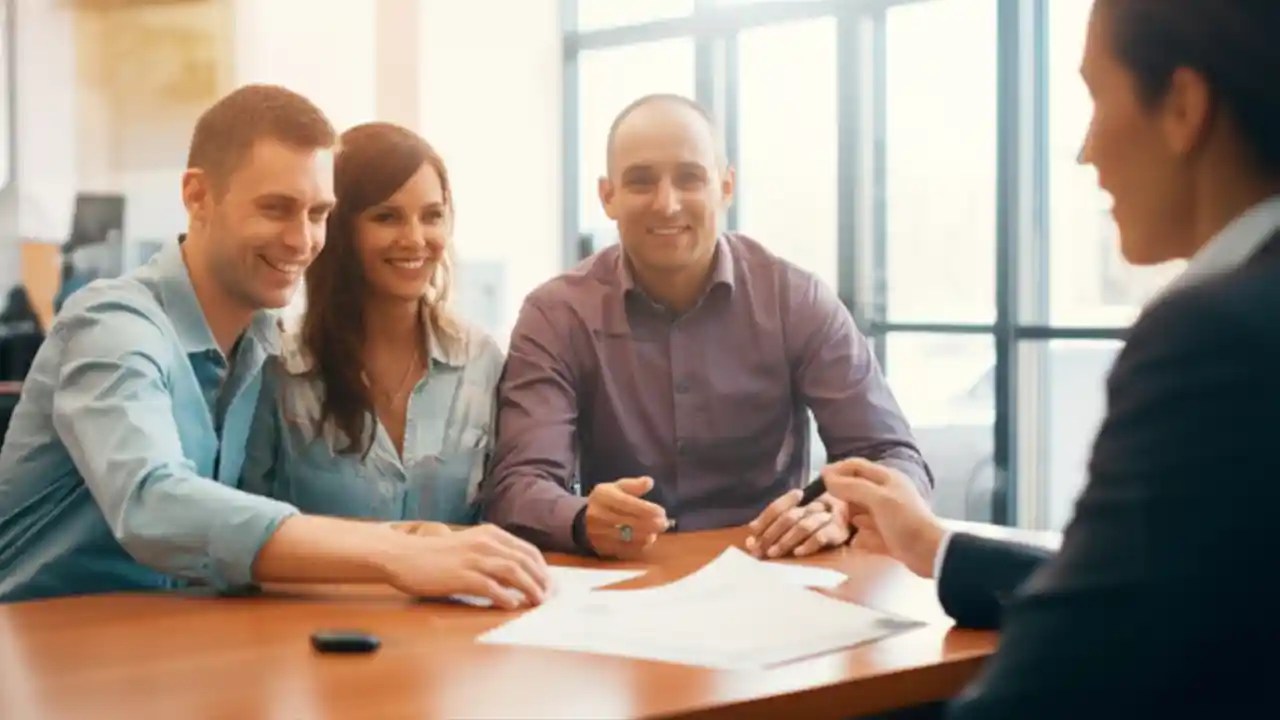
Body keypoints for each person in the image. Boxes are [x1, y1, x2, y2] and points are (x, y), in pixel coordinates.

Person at [820, 0, 1280, 715]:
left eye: (1097, 97)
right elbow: (1155, 580)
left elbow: (1057, 687)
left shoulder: (1216, 339)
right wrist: (937, 547)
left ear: (1184, 106)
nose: (1085, 150)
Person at [0, 85, 548, 609]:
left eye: (317, 214)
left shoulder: (262, 344)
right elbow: (152, 502)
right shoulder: (113, 323)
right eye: (276, 208)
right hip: (43, 651)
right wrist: (395, 552)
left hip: (171, 647)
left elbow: (238, 523)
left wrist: (411, 536)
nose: (302, 240)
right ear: (197, 196)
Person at [482, 94, 932, 560]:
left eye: (689, 178)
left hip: (774, 572)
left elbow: (893, 457)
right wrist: (579, 518)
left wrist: (840, 508)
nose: (667, 204)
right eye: (640, 181)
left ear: (726, 186)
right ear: (607, 196)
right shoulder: (557, 315)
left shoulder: (794, 300)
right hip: (619, 584)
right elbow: (516, 488)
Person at [241, 122, 501, 530]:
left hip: (451, 594)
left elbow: (504, 516)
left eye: (432, 216)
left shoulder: (481, 360)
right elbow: (241, 534)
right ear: (340, 227)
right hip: (315, 595)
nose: (415, 239)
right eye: (387, 217)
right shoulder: (278, 367)